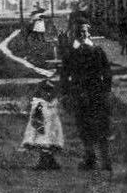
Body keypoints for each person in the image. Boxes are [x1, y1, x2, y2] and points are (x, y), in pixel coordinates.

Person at [61, 20, 114, 171]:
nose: (84, 35)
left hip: (85, 94)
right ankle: (99, 159)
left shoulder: (75, 53)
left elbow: (64, 76)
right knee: (93, 126)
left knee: (90, 126)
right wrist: (106, 91)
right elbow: (107, 74)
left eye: (84, 32)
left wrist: (65, 94)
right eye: (81, 33)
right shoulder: (95, 51)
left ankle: (97, 159)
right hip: (91, 93)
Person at [21, 78, 65, 170]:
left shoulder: (42, 104)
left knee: (45, 141)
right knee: (46, 142)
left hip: (46, 128)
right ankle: (49, 160)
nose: (47, 94)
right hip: (45, 127)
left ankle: (46, 161)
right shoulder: (42, 104)